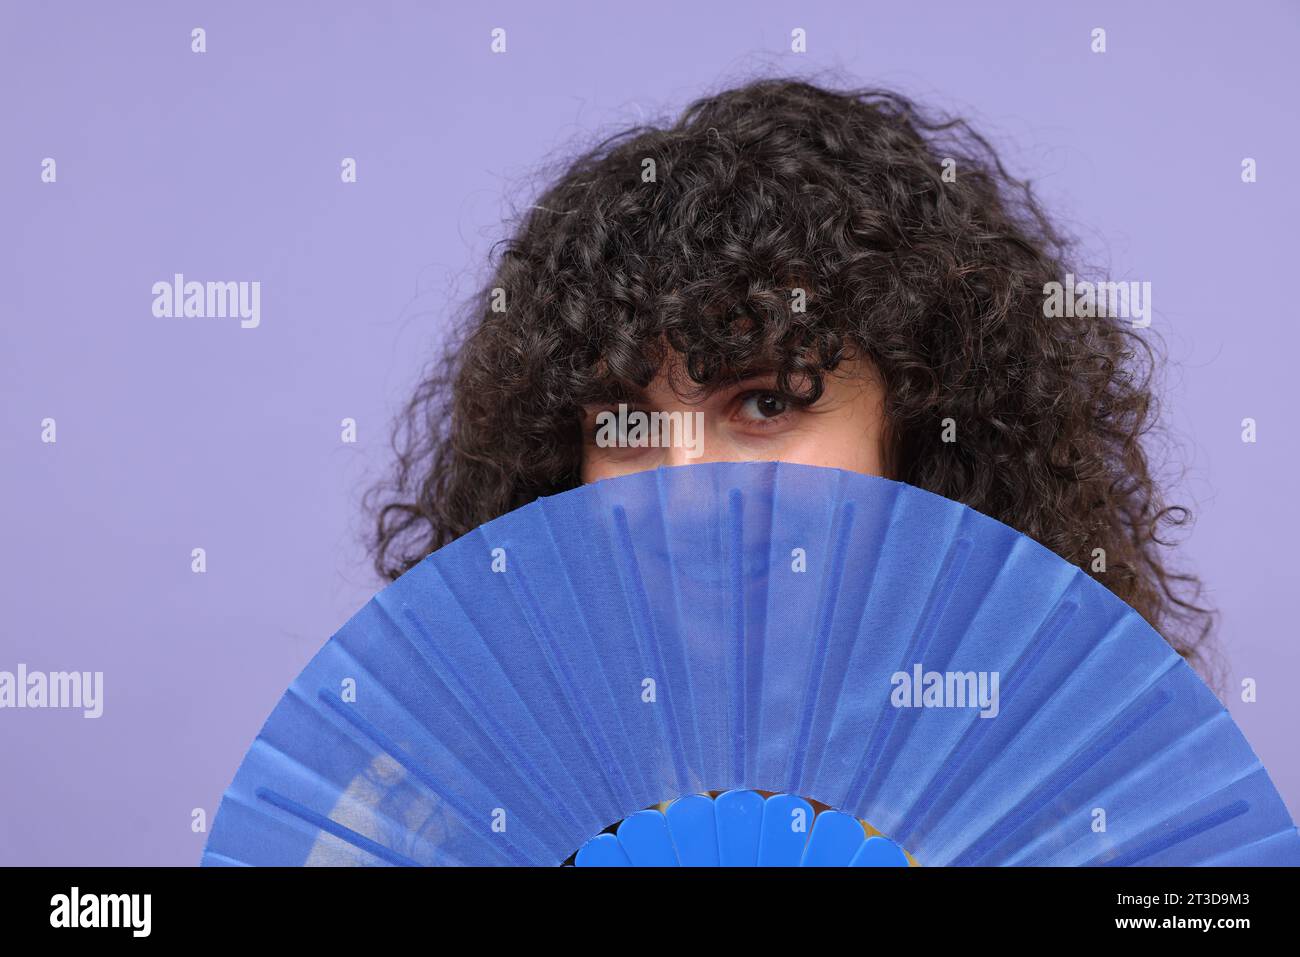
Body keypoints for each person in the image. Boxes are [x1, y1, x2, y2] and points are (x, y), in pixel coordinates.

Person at [365, 75, 1215, 683]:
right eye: (626, 425)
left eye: (765, 403)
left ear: (925, 436)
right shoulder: (443, 815)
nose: (685, 490)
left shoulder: (1085, 817)